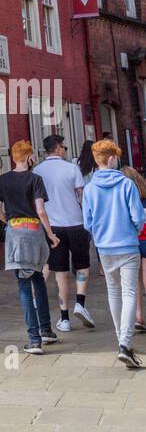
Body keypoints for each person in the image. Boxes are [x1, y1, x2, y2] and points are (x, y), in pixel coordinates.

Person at [82, 139, 146, 369]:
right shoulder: (127, 185)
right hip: (127, 246)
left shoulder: (89, 189)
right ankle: (124, 345)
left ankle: (122, 342)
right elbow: (138, 217)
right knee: (129, 293)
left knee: (114, 292)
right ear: (111, 159)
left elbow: (87, 222)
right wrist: (133, 230)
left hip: (104, 248)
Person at [0, 140, 60, 354]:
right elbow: (40, 211)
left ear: (13, 157)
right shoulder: (35, 179)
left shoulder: (3, 180)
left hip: (15, 233)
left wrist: (10, 223)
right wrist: (51, 235)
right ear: (29, 157)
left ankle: (34, 340)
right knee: (38, 277)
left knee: (23, 284)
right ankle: (46, 330)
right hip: (34, 232)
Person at [33, 134, 94, 332]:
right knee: (83, 266)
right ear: (58, 148)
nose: (65, 150)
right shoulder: (71, 168)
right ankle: (80, 304)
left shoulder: (37, 171)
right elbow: (81, 196)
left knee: (60, 273)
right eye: (64, 147)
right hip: (76, 224)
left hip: (53, 228)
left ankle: (65, 318)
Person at [121, 165, 146, 333]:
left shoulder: (123, 199)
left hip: (131, 242)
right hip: (145, 240)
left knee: (135, 282)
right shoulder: (144, 198)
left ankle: (138, 316)